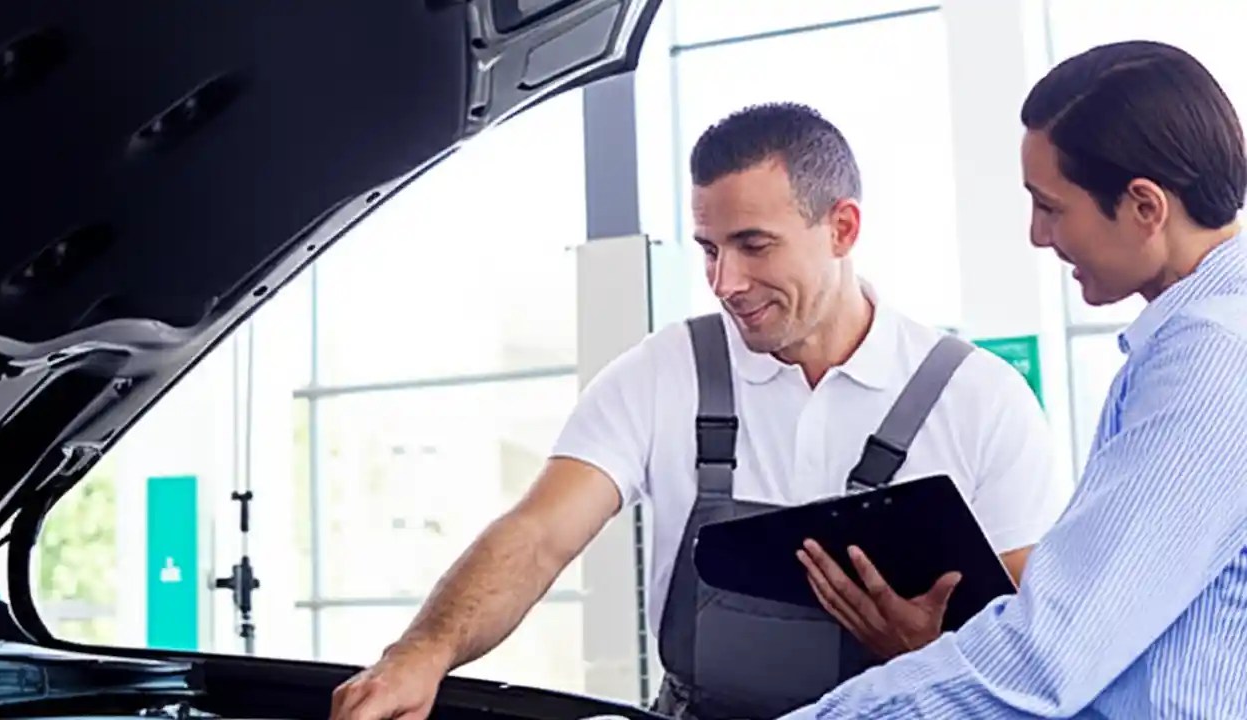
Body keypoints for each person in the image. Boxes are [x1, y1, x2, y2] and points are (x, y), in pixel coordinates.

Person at [328, 102, 1073, 720]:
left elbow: (1034, 655)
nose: (725, 281)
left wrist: (930, 660)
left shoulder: (980, 399)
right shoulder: (664, 372)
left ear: (842, 228)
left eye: (754, 245)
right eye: (709, 248)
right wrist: (421, 651)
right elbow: (538, 535)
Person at [781, 40, 1247, 719]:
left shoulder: (1211, 359)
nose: (1036, 235)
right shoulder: (1195, 342)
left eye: (1050, 206)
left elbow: (1049, 653)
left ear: (1145, 206)